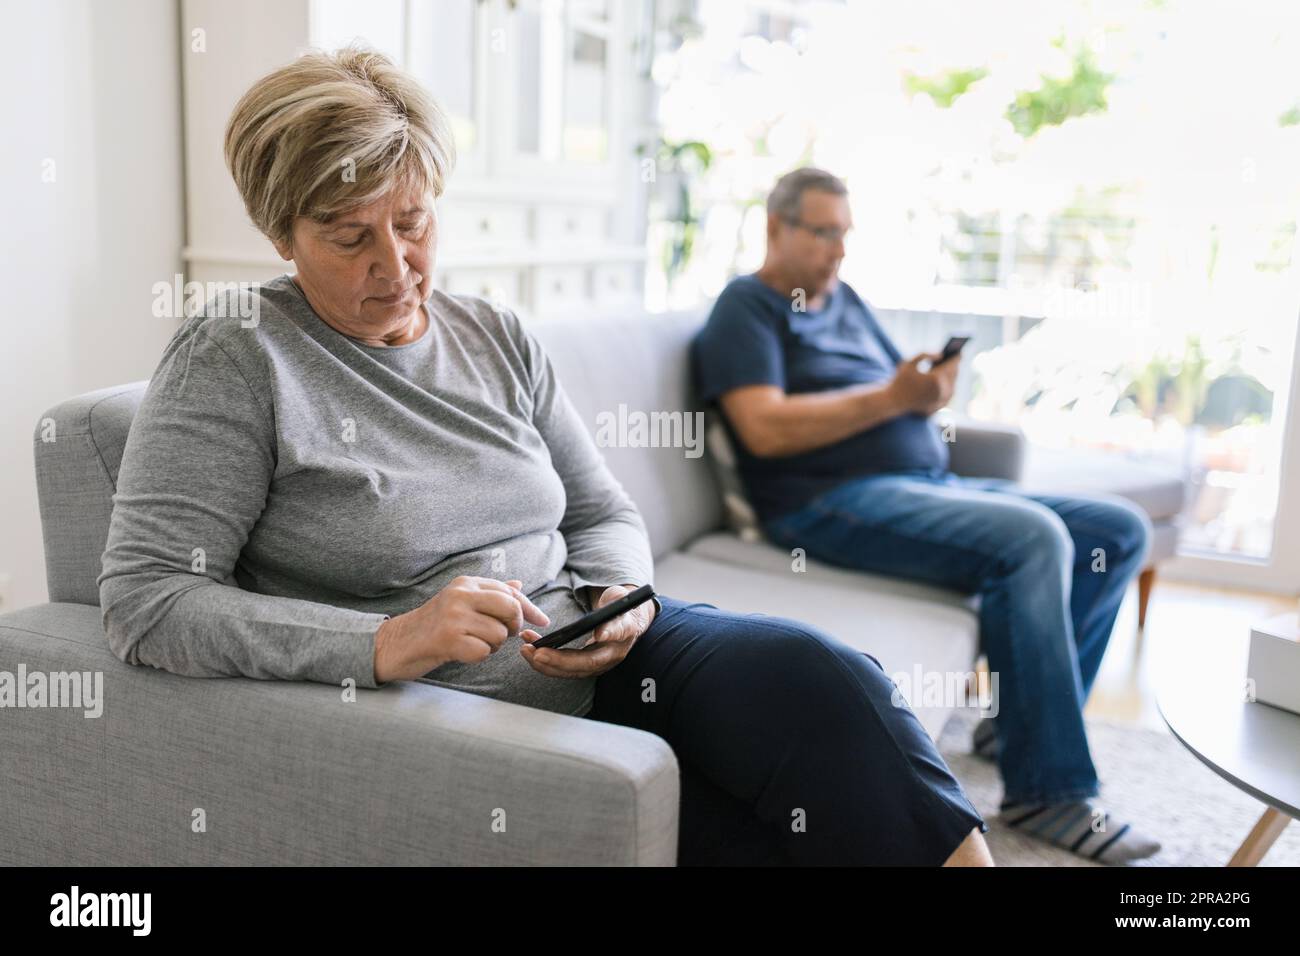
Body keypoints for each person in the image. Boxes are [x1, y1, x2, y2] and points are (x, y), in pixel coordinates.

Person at [97, 47, 992, 866]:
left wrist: (615, 598)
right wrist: (388, 641)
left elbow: (602, 511)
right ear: (281, 234)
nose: (397, 264)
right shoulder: (237, 355)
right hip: (452, 710)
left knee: (827, 683)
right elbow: (147, 601)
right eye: (348, 236)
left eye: (413, 221)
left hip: (602, 647)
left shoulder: (492, 333)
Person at [692, 166, 1161, 864]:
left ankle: (1018, 728)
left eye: (844, 234)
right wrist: (893, 399)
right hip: (825, 502)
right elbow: (763, 429)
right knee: (1033, 540)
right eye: (822, 232)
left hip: (919, 482)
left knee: (1119, 531)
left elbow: (893, 387)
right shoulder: (747, 308)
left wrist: (928, 390)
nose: (837, 250)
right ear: (774, 227)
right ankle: (1049, 792)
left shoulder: (844, 299)